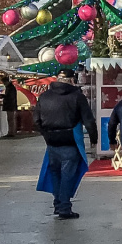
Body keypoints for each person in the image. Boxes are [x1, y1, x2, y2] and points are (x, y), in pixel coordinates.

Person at [34, 68, 95, 219]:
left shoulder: (44, 96)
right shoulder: (77, 96)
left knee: (55, 174)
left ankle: (58, 204)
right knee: (68, 175)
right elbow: (88, 120)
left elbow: (36, 120)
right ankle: (64, 208)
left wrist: (46, 134)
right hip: (70, 141)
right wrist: (94, 139)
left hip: (51, 142)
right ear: (72, 80)